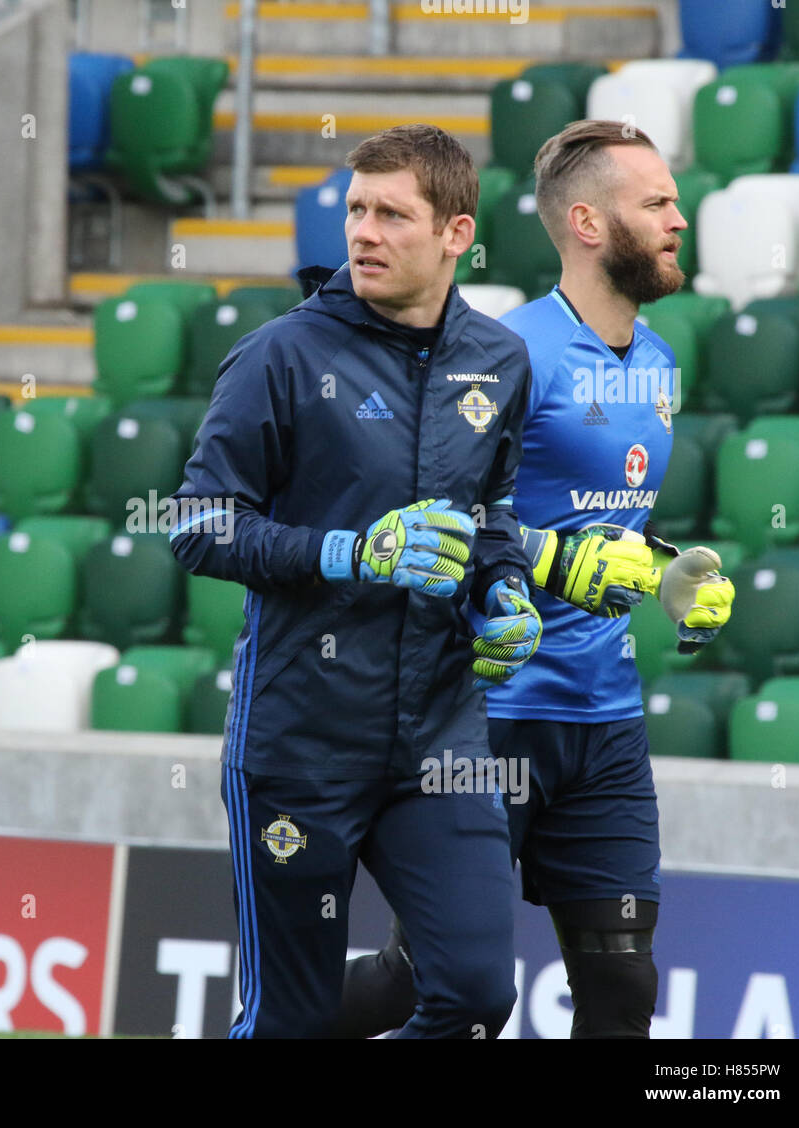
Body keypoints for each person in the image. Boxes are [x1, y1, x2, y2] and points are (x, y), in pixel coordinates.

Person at [334, 120, 735, 1040]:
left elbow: (605, 524)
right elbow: (432, 511)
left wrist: (667, 576)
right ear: (588, 224)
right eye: (658, 203)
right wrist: (555, 561)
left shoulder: (660, 362)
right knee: (417, 983)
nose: (679, 219)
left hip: (605, 724)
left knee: (623, 993)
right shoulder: (504, 355)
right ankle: (263, 1022)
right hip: (489, 712)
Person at [169, 123, 547, 1039]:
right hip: (301, 742)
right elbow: (196, 525)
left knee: (476, 994)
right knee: (290, 1019)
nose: (364, 233)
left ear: (457, 234)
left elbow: (491, 514)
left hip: (441, 740)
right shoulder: (279, 356)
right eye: (356, 210)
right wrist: (346, 553)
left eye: (392, 215)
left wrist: (504, 591)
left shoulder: (500, 362)